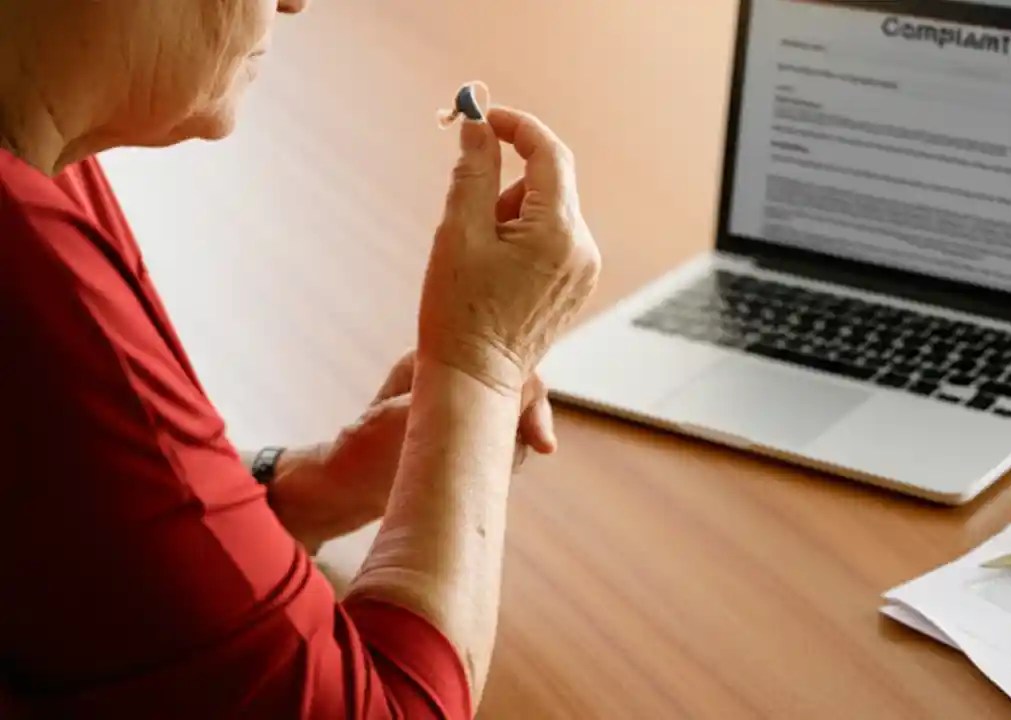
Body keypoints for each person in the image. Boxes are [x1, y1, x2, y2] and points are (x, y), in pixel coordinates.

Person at [0, 1, 600, 718]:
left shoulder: (37, 152)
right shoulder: (26, 259)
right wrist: (481, 363)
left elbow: (60, 524)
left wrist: (304, 491)